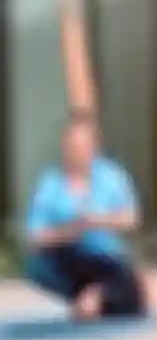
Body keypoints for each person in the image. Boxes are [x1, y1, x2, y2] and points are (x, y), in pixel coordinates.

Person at [24, 113, 148, 320]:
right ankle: (88, 297)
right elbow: (35, 238)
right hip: (67, 254)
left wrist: (98, 221)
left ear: (94, 148)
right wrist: (71, 230)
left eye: (83, 147)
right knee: (40, 266)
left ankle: (96, 297)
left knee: (132, 301)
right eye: (72, 146)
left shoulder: (110, 176)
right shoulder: (50, 184)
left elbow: (131, 219)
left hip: (104, 256)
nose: (78, 153)